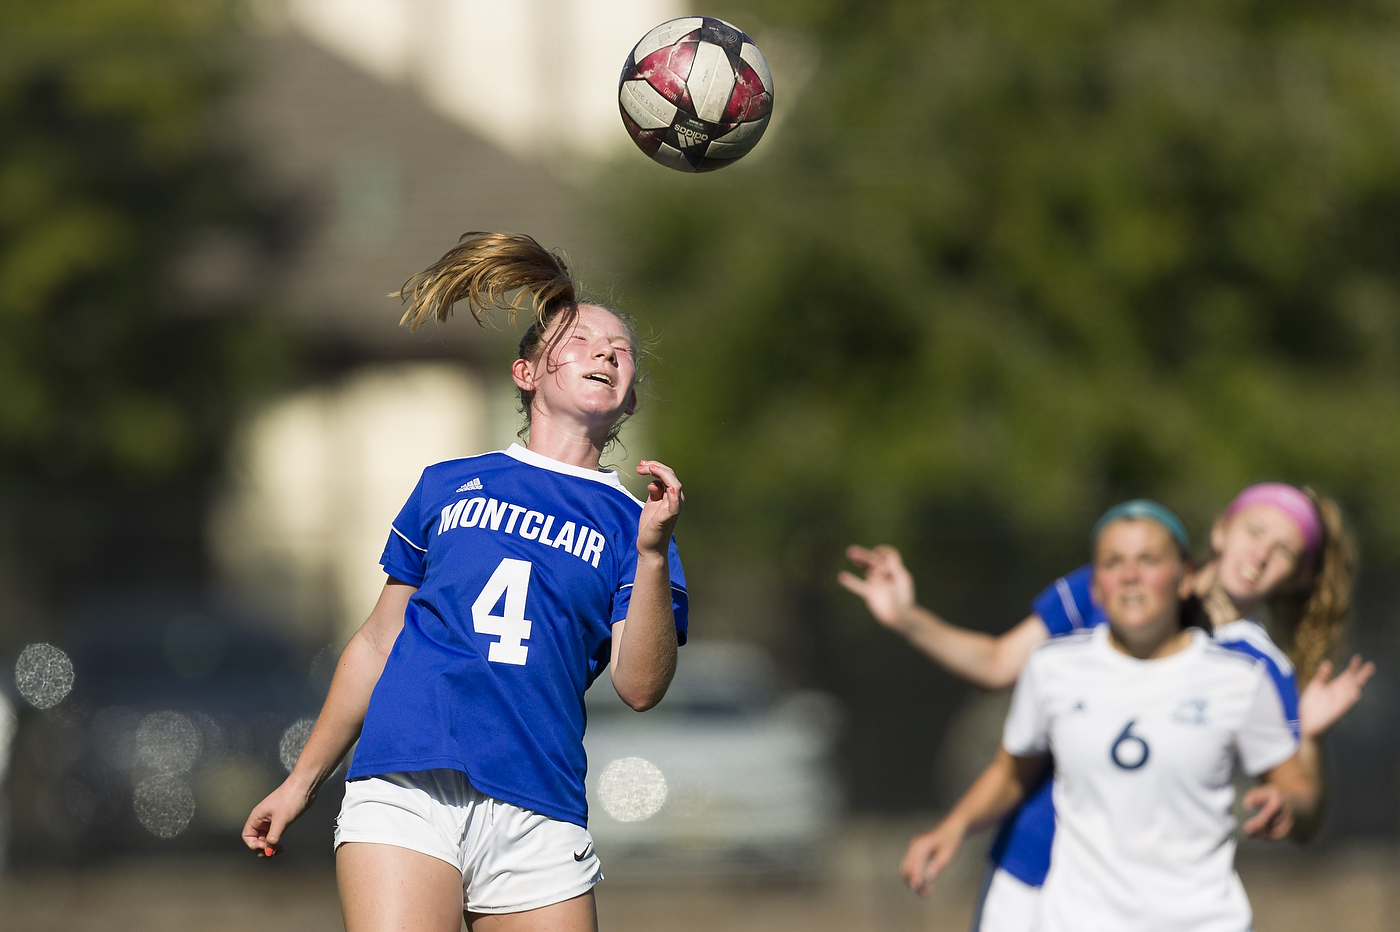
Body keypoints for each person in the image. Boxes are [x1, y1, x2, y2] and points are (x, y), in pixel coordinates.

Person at [241, 232, 689, 932]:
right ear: (526, 374)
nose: (607, 352)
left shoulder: (635, 525)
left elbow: (640, 689)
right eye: (582, 339)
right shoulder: (448, 485)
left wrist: (655, 553)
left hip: (539, 802)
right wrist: (301, 782)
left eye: (622, 350)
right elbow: (378, 642)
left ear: (630, 403)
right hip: (407, 786)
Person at [839, 483, 1373, 931]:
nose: (1259, 555)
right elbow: (999, 665)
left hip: (1160, 902)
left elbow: (1299, 801)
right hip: (1038, 873)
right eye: (1255, 531)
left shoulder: (1253, 669)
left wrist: (1306, 746)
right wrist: (907, 618)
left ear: (1299, 577)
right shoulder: (1111, 588)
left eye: (1282, 550)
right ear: (1220, 531)